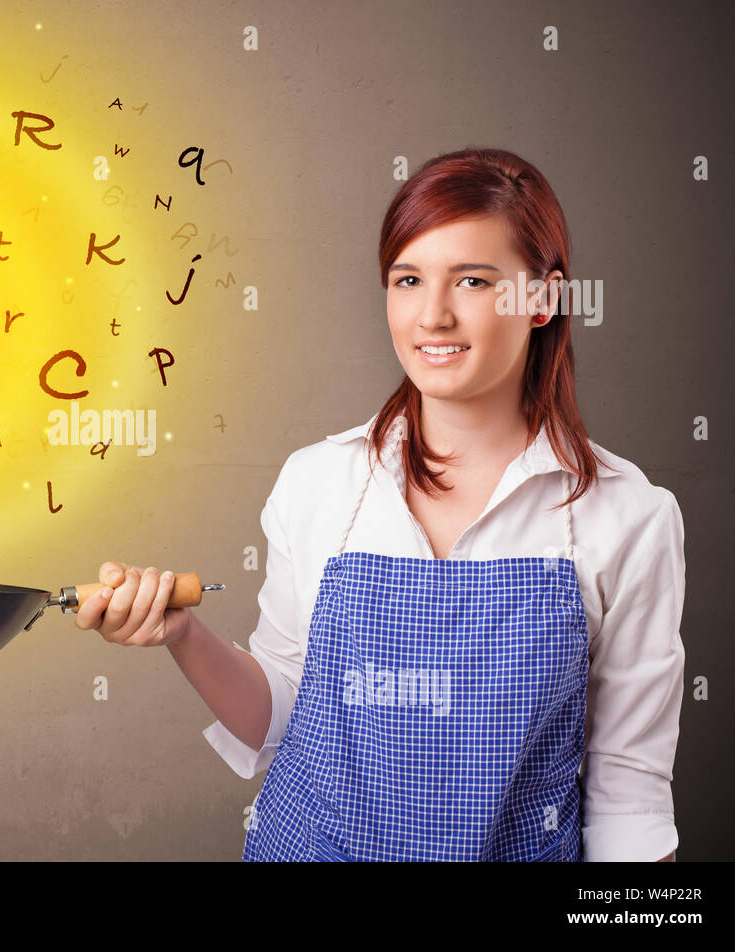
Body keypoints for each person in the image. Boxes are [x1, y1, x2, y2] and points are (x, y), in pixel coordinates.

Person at [72, 147, 685, 862]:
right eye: (408, 279)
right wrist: (182, 634)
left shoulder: (629, 517)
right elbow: (279, 716)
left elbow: (630, 802)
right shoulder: (318, 483)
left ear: (542, 299)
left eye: (475, 280)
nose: (433, 316)